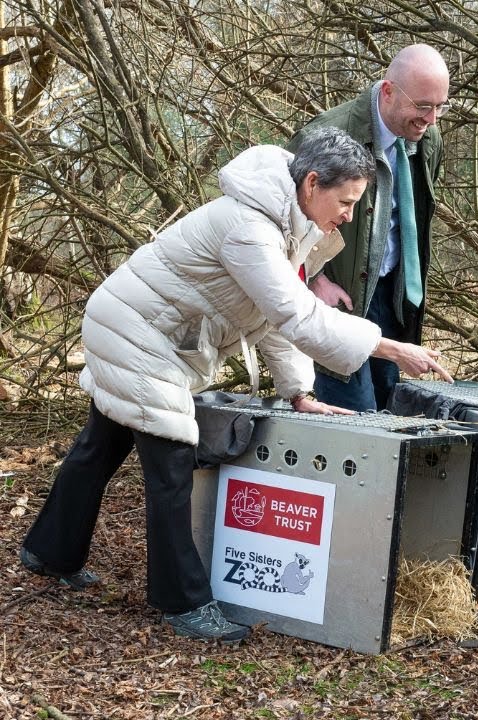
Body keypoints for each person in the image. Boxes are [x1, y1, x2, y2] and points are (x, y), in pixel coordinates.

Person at [19, 127, 452, 643]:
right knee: (173, 460)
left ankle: (49, 551)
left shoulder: (285, 224)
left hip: (143, 328)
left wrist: (299, 392)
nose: (350, 216)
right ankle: (182, 604)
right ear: (312, 183)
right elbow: (297, 315)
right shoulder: (249, 228)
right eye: (346, 201)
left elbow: (271, 318)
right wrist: (391, 348)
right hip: (136, 332)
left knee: (102, 444)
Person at [287, 44, 450, 411]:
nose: (433, 118)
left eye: (441, 106)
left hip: (392, 295)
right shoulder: (326, 134)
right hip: (338, 297)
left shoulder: (428, 138)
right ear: (389, 91)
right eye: (423, 106)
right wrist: (314, 279)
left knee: (385, 411)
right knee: (355, 419)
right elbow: (284, 220)